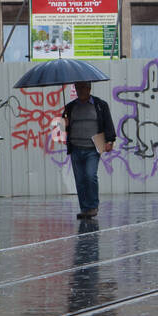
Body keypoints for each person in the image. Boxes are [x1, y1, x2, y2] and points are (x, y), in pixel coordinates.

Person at [61, 81, 115, 219]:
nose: (80, 90)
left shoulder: (100, 105)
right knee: (80, 180)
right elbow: (62, 128)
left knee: (90, 176)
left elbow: (108, 123)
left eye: (83, 87)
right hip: (75, 148)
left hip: (93, 148)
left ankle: (93, 206)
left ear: (89, 88)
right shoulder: (70, 107)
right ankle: (85, 208)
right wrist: (64, 123)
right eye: (78, 88)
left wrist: (110, 140)